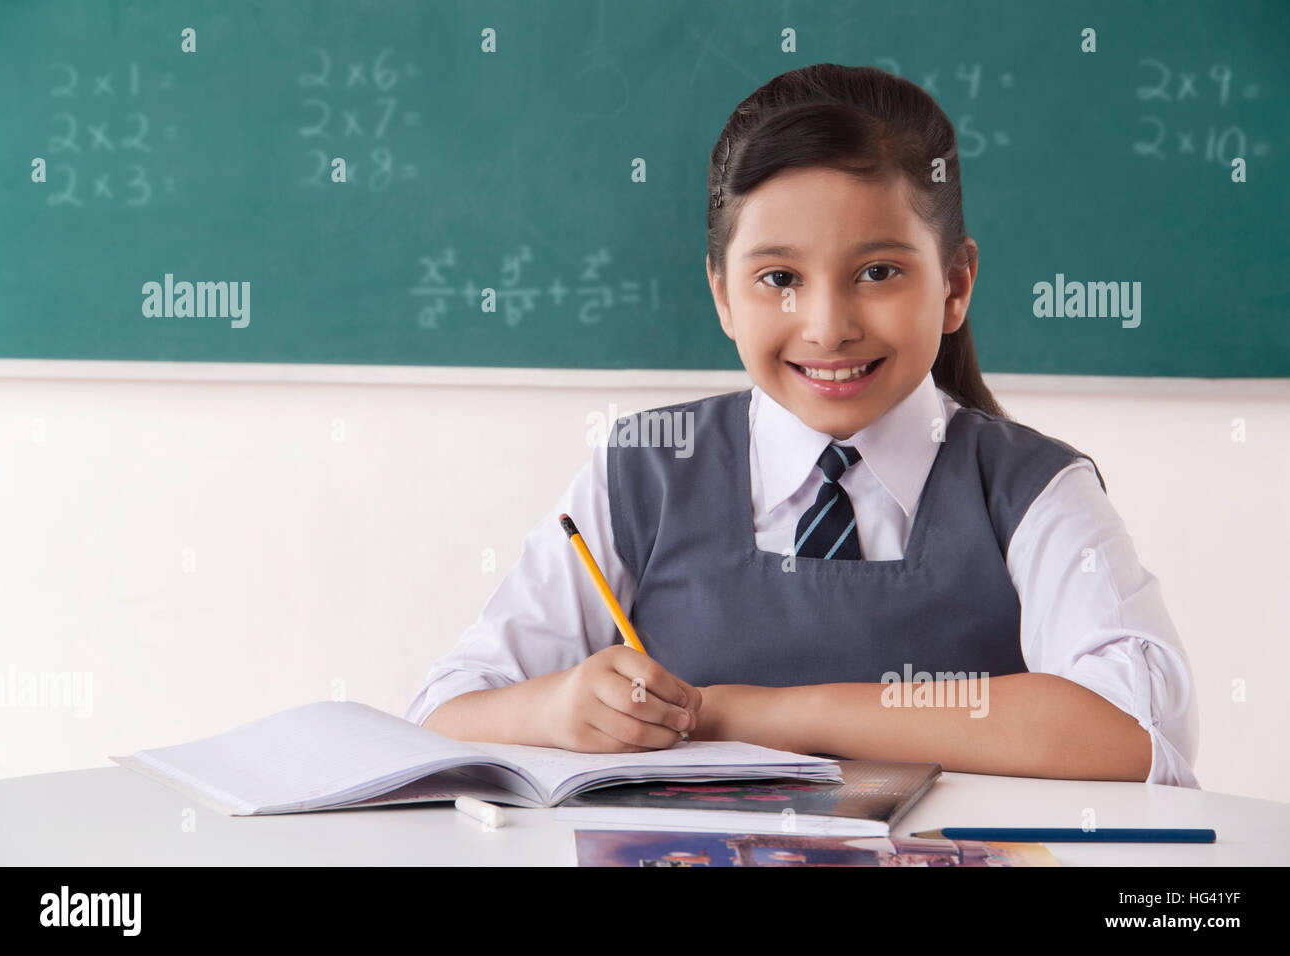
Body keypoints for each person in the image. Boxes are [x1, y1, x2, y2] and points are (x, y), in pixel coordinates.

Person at [406, 64, 1198, 787]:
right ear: (722, 295)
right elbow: (442, 715)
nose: (826, 326)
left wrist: (755, 715)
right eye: (779, 278)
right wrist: (552, 709)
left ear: (955, 286)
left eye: (878, 273)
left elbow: (1134, 728)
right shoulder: (643, 469)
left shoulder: (1031, 489)